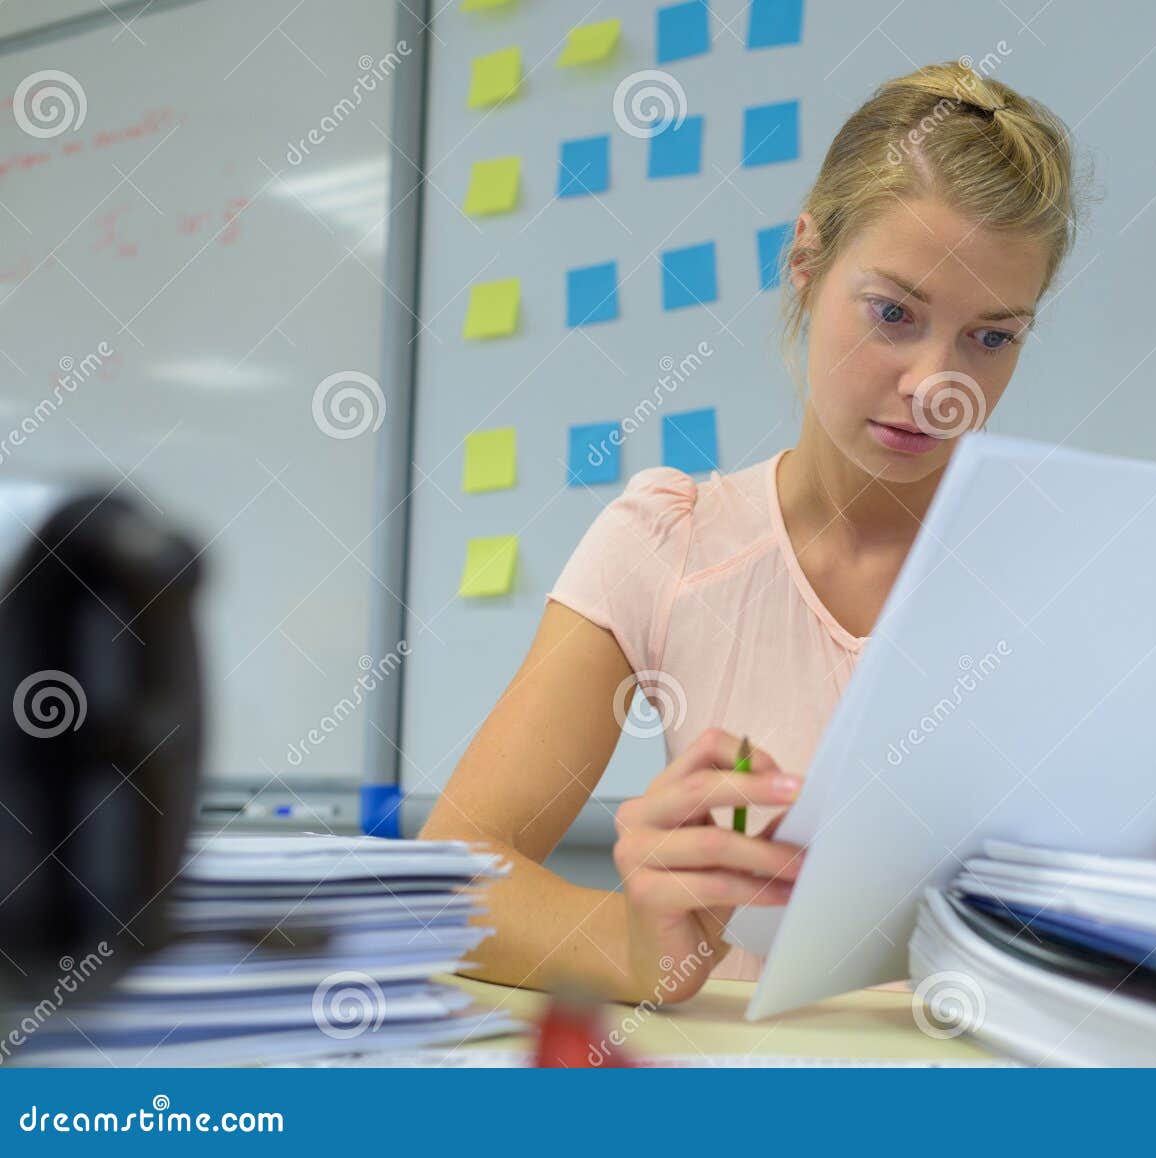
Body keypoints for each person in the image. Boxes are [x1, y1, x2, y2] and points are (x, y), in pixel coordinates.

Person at [421, 59, 1087, 1005]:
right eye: (894, 314)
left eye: (992, 336)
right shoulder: (668, 545)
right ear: (807, 263)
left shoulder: (1074, 573)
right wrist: (643, 949)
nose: (936, 383)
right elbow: (448, 882)